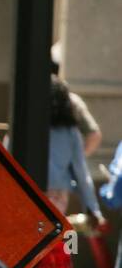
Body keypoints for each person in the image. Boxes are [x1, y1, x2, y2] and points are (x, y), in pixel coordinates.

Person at [46, 74, 104, 221]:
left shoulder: (22, 129)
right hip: (57, 194)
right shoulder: (70, 132)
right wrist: (93, 210)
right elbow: (81, 174)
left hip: (25, 194)